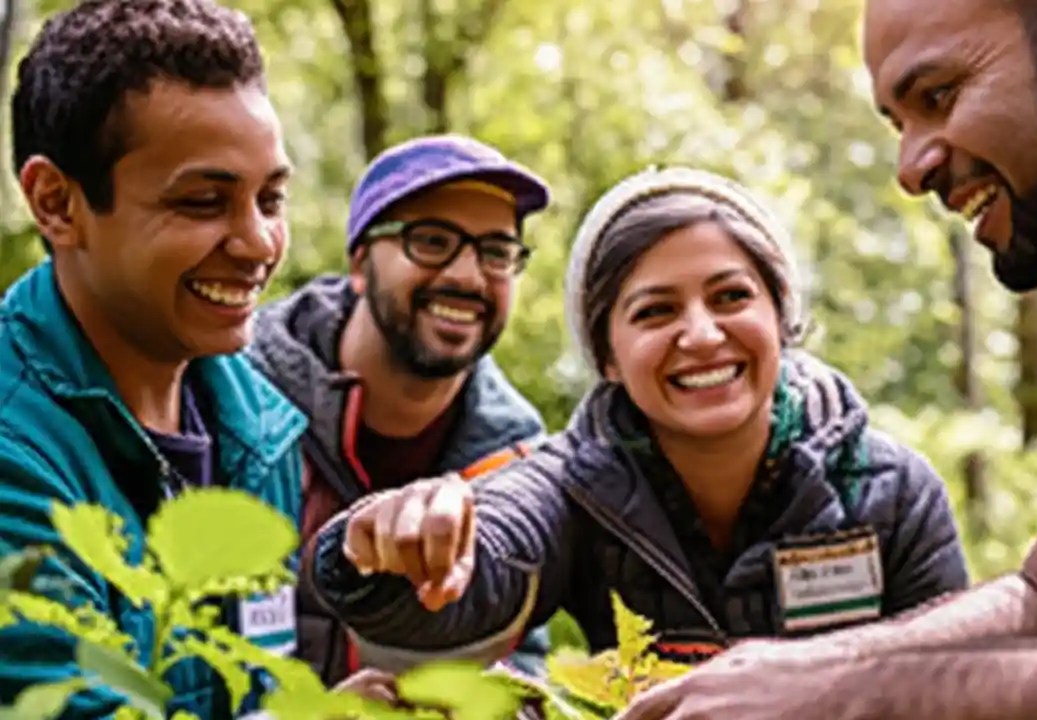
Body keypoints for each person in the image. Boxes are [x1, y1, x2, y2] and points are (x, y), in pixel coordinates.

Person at [614, 1, 1037, 718]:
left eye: (940, 96)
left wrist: (845, 699)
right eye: (901, 125)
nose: (911, 168)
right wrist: (790, 667)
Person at [303, 166, 968, 676]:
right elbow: (482, 565)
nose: (702, 335)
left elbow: (953, 685)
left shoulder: (891, 492)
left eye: (732, 296)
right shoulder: (573, 485)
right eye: (655, 312)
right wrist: (378, 545)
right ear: (609, 357)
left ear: (781, 317)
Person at [0, 0, 304, 717]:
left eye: (271, 198)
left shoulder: (258, 428)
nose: (258, 242)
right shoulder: (17, 460)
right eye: (203, 202)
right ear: (56, 203)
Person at [247, 135, 554, 685]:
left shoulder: (515, 454)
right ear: (361, 263)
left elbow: (518, 654)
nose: (466, 275)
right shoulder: (240, 396)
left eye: (496, 251)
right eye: (432, 241)